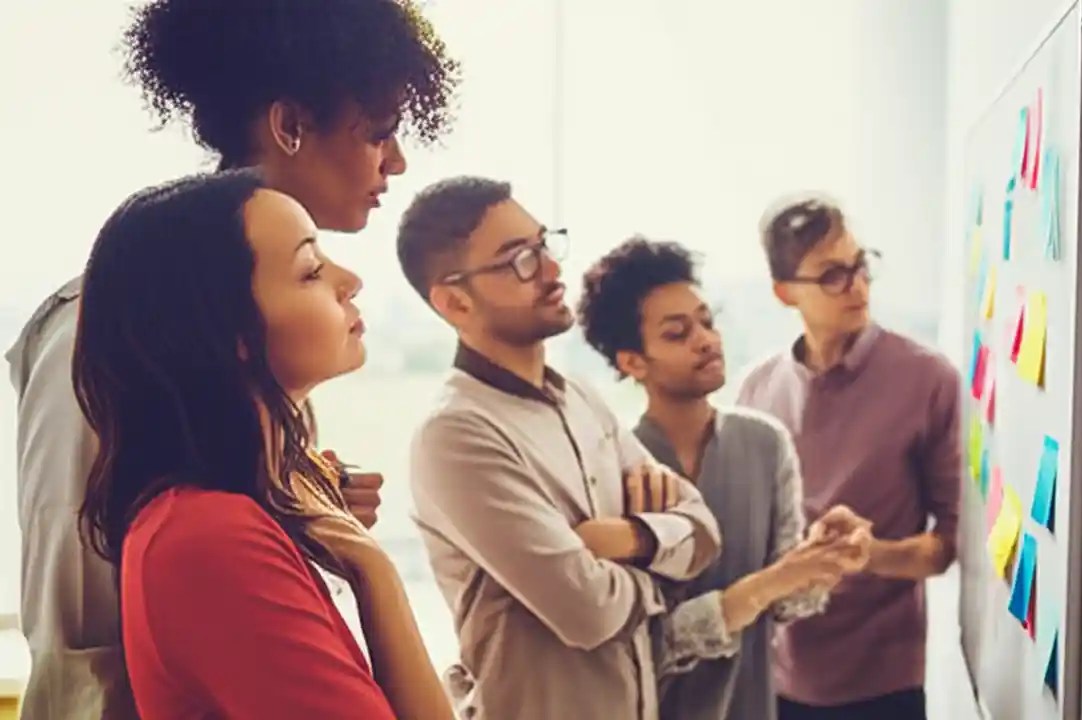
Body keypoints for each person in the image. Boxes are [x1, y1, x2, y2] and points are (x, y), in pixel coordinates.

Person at [3, 2, 459, 717]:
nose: (396, 161)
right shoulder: (111, 323)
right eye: (379, 133)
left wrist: (292, 506)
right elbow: (80, 638)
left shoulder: (277, 335)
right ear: (289, 126)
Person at [72, 169, 454, 718]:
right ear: (230, 334)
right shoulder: (208, 536)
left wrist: (370, 564)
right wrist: (374, 571)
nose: (349, 280)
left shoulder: (247, 513)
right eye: (310, 271)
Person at [396, 176, 722, 720]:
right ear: (455, 300)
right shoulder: (455, 434)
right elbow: (588, 612)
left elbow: (705, 531)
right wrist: (664, 569)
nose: (550, 269)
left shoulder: (581, 399)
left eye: (545, 245)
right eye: (518, 260)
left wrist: (629, 538)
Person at [575, 236, 876, 720]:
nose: (706, 340)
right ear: (632, 362)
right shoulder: (613, 470)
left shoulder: (765, 443)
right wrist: (766, 585)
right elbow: (635, 649)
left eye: (706, 322)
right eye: (677, 333)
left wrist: (822, 556)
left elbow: (785, 602)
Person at [736, 195, 962, 720]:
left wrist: (868, 554)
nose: (857, 285)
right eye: (832, 275)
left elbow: (948, 544)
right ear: (784, 292)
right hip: (776, 676)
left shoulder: (928, 379)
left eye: (860, 265)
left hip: (884, 682)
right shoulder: (757, 389)